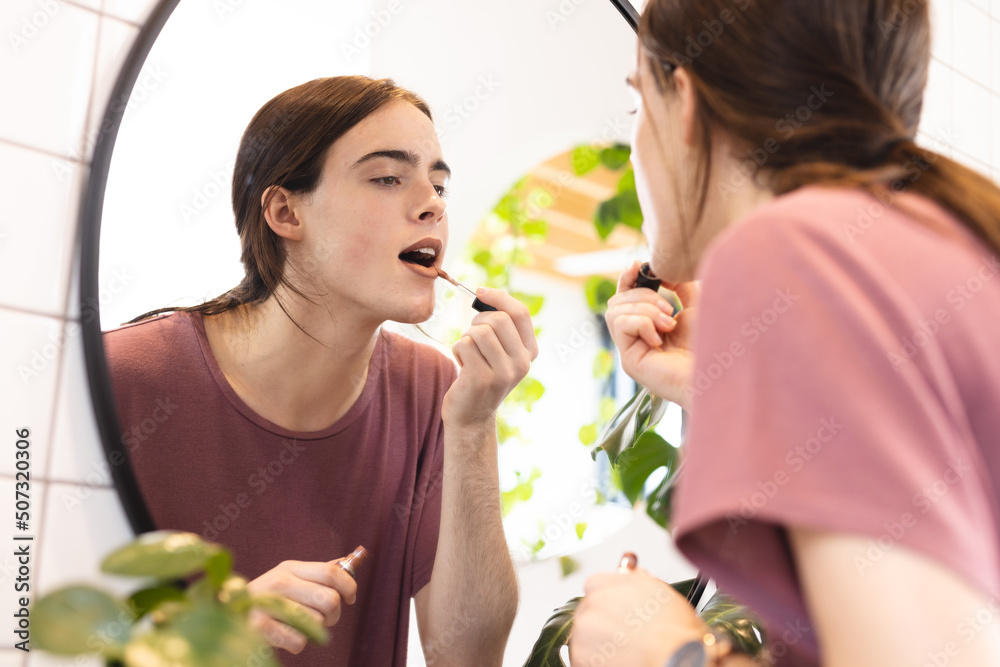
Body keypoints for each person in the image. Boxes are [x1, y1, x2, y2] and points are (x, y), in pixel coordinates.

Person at [569, 1, 1000, 665]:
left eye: (637, 105)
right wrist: (728, 381)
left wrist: (672, 652)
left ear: (683, 103)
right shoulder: (943, 239)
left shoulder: (791, 249)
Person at [103, 76, 535, 666]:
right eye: (388, 177)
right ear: (285, 211)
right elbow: (27, 628)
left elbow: (466, 657)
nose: (432, 202)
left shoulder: (433, 390)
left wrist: (473, 425)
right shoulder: (122, 377)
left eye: (438, 184)